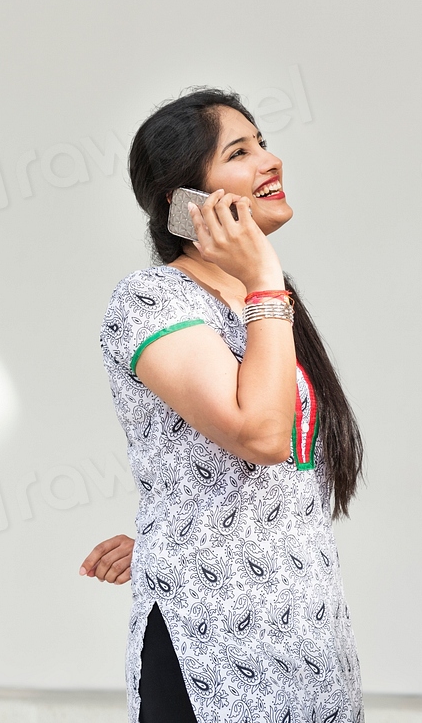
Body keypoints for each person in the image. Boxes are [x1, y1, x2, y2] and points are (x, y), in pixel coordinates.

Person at [79, 87, 365, 723]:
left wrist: (178, 530)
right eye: (240, 151)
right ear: (187, 202)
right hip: (214, 648)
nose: (270, 161)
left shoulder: (264, 304)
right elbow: (259, 435)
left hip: (307, 642)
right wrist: (264, 278)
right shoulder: (154, 301)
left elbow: (272, 480)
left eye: (262, 142)